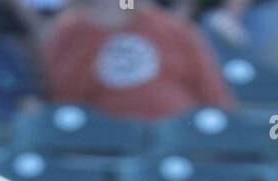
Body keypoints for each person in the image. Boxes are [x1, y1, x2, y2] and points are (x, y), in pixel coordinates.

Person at [41, 0, 234, 120]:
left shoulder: (174, 28)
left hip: (173, 137)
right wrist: (98, 30)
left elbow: (213, 94)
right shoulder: (71, 31)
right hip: (104, 143)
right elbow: (64, 96)